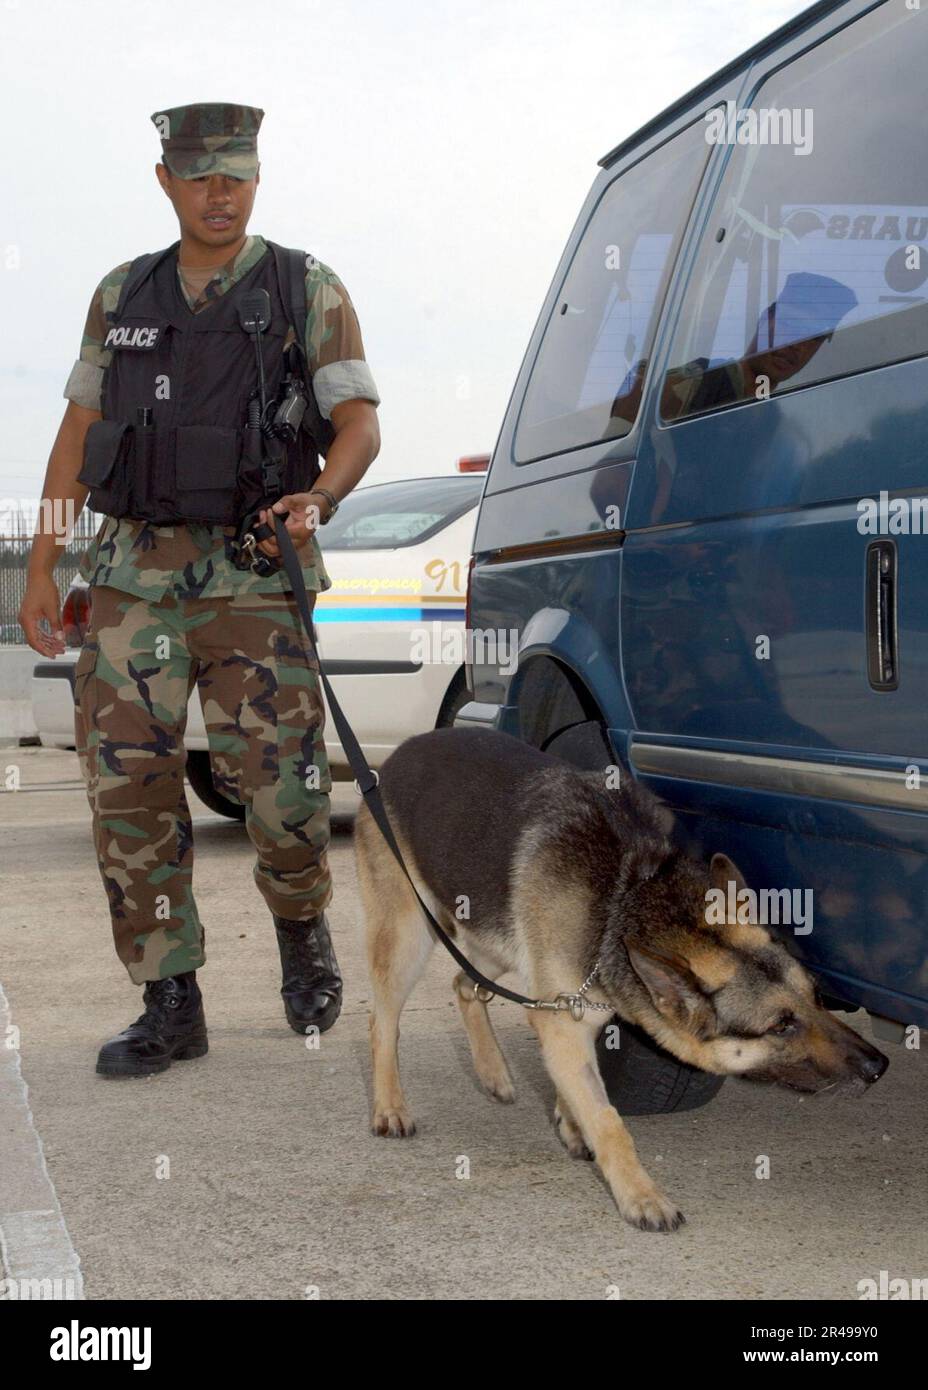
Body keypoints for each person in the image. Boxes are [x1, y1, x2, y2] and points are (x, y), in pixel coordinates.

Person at [18, 102, 381, 1077]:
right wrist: (47, 560)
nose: (219, 192)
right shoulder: (120, 292)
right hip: (132, 573)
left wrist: (321, 493)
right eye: (201, 175)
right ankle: (168, 997)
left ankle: (302, 930)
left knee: (283, 792)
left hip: (254, 572)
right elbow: (77, 431)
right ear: (167, 181)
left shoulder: (305, 286)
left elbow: (357, 425)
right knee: (129, 788)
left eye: (236, 174)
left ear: (255, 178)